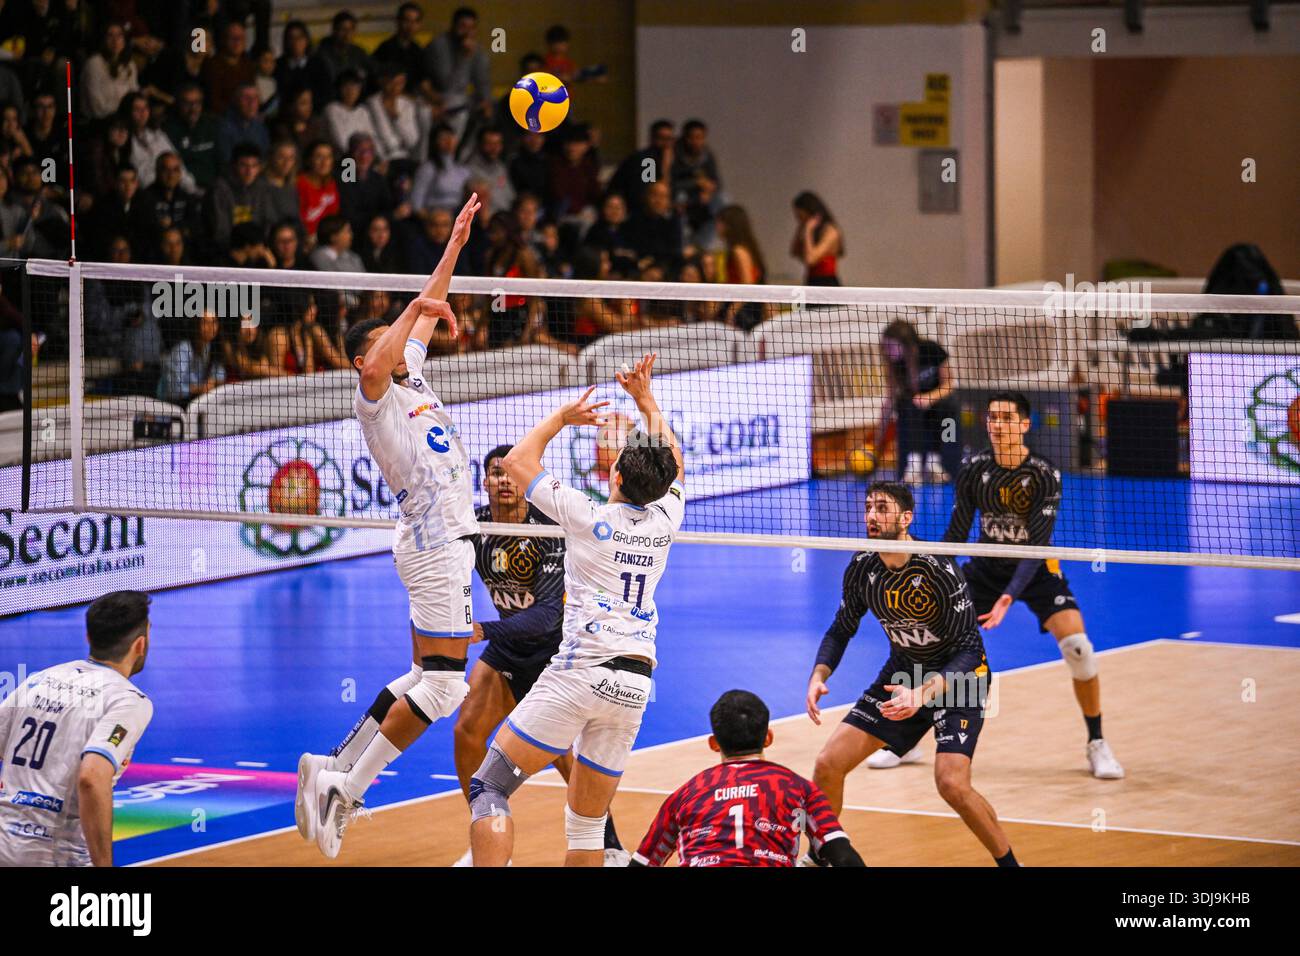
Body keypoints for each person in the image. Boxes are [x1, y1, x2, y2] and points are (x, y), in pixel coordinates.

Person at [297, 194, 483, 860]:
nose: (405, 345)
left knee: (424, 673)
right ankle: (346, 787)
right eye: (394, 341)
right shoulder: (374, 399)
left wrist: (455, 245)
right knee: (445, 686)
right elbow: (380, 358)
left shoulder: (413, 373)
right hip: (436, 548)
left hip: (443, 545)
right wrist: (408, 315)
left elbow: (425, 312)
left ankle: (332, 764)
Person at [469, 352, 685, 867]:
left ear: (613, 472)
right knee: (587, 826)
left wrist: (561, 419)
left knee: (489, 788)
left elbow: (518, 462)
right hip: (635, 684)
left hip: (582, 671)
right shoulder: (666, 517)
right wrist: (645, 399)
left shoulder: (587, 517)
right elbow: (674, 459)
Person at [805, 481, 1020, 867]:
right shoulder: (861, 565)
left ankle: (1010, 865)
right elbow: (841, 628)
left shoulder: (938, 568)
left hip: (960, 680)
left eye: (882, 508)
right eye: (868, 507)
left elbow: (970, 651)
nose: (871, 516)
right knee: (827, 763)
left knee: (951, 783)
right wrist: (819, 674)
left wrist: (923, 693)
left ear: (906, 518)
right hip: (904, 672)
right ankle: (818, 858)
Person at [450, 445, 628, 867]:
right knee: (466, 732)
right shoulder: (474, 527)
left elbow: (548, 617)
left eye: (510, 473)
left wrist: (481, 630)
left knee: (568, 763)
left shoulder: (548, 528)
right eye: (495, 473)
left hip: (554, 653)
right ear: (485, 481)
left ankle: (612, 846)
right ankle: (485, 836)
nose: (504, 481)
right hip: (508, 650)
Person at [943, 392, 1124, 780]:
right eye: (992, 417)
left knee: (1079, 648)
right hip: (986, 569)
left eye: (1007, 418)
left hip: (1035, 571)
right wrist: (938, 573)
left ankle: (1097, 743)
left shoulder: (1044, 474)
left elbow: (1036, 546)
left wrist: (1010, 595)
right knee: (937, 645)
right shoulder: (973, 469)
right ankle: (904, 740)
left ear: (1025, 425)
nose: (997, 425)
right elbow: (957, 533)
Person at [0, 591, 154, 867]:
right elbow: (92, 778)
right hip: (58, 857)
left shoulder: (42, 679)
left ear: (89, 638)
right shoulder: (128, 701)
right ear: (140, 645)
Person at [630, 690, 864, 867]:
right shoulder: (798, 788)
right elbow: (842, 855)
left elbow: (643, 862)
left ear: (713, 743)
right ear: (768, 738)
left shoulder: (686, 794)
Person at [877, 318, 960, 484]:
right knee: (907, 404)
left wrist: (930, 397)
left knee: (947, 407)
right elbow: (889, 400)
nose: (888, 352)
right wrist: (877, 440)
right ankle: (913, 465)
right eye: (886, 347)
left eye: (891, 347)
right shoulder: (894, 365)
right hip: (913, 409)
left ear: (906, 344)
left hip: (939, 403)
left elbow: (949, 384)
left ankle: (935, 462)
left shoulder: (931, 349)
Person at [157, 310, 226, 405]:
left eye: (214, 322)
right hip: (173, 404)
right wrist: (200, 388)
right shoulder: (183, 349)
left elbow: (220, 375)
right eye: (205, 322)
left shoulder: (214, 348)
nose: (211, 327)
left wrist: (213, 381)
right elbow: (174, 390)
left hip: (198, 402)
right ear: (196, 325)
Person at [717, 204, 766, 330]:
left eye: (719, 222)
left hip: (744, 309)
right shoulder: (738, 249)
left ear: (729, 225)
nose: (717, 227)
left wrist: (732, 310)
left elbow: (748, 283)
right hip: (739, 304)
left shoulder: (739, 251)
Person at [80, 23, 138, 121]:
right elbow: (97, 108)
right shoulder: (94, 64)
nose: (115, 40)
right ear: (104, 39)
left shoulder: (130, 65)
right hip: (100, 121)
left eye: (119, 35)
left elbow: (133, 96)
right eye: (110, 35)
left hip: (124, 119)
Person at [790, 191, 843, 286]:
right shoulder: (810, 231)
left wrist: (807, 230)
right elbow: (794, 252)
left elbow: (810, 259)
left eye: (801, 216)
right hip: (811, 281)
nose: (799, 219)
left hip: (827, 283)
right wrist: (800, 229)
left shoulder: (831, 231)